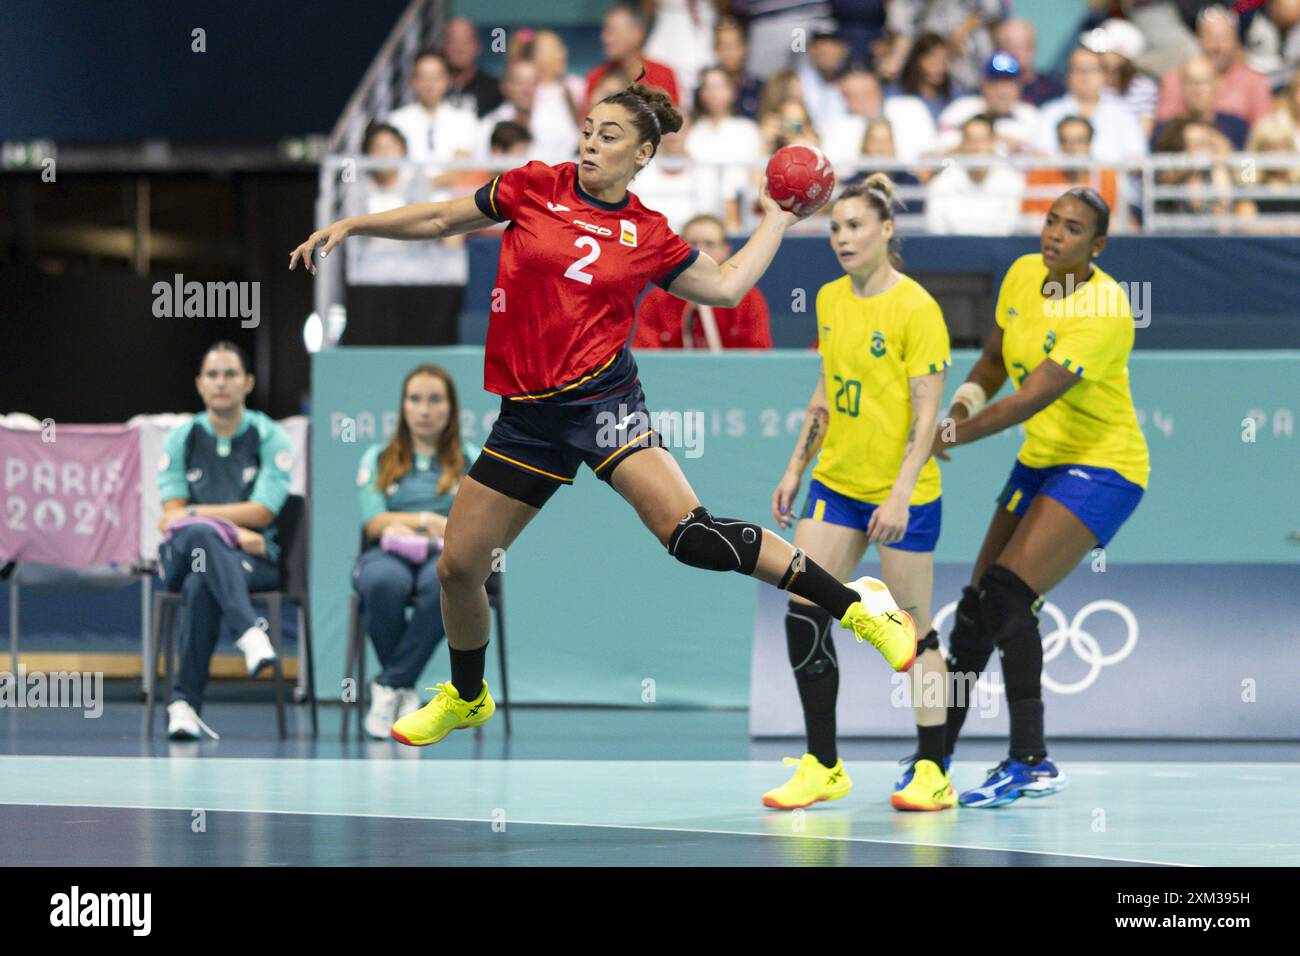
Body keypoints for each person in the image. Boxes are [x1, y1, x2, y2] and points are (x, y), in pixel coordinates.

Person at [291, 81, 920, 749]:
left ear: (644, 153)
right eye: (588, 129)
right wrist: (355, 224)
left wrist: (778, 216)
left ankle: (858, 605)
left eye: (610, 135)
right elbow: (444, 219)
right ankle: (468, 695)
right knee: (458, 567)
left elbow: (728, 286)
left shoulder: (647, 234)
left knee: (692, 538)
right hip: (527, 415)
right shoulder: (534, 185)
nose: (592, 141)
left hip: (603, 404)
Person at [932, 188, 1149, 807]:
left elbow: (1030, 399)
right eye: (1052, 220)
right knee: (975, 608)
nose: (1055, 233)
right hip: (1041, 462)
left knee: (1007, 592)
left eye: (1073, 228)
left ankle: (1031, 761)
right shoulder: (1025, 274)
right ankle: (934, 757)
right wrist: (957, 409)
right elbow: (995, 363)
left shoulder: (1105, 308)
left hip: (1104, 467)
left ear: (1097, 246)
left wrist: (946, 438)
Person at [764, 174, 955, 812]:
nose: (842, 238)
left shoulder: (917, 308)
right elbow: (826, 387)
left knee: (918, 633)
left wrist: (899, 494)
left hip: (903, 493)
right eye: (835, 227)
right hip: (837, 485)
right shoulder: (829, 298)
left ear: (886, 230)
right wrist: (797, 465)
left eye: (855, 226)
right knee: (802, 607)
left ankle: (933, 768)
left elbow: (928, 416)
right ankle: (823, 764)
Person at [157, 342, 293, 740]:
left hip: (253, 560)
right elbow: (172, 515)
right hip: (188, 554)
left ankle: (183, 705)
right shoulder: (181, 438)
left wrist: (199, 515)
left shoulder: (270, 436)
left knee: (204, 579)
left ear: (248, 382)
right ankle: (250, 633)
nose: (221, 383)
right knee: (198, 538)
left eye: (230, 374)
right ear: (200, 385)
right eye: (213, 375)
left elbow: (263, 512)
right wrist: (231, 530)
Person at [352, 365, 480, 738]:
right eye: (415, 399)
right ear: (403, 407)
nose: (424, 410)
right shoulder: (378, 458)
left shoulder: (472, 459)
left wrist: (404, 520)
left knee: (445, 586)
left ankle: (389, 686)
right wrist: (428, 518)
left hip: (447, 557)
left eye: (435, 400)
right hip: (389, 554)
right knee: (381, 582)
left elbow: (470, 525)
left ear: (451, 408)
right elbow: (375, 523)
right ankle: (403, 688)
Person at [342, 121, 465, 345]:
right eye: (377, 148)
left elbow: (421, 227)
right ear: (368, 154)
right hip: (371, 271)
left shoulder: (418, 182)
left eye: (390, 147)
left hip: (414, 268)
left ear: (402, 151)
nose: (384, 154)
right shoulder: (358, 188)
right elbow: (355, 232)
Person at [633, 214, 772, 349]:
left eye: (709, 244)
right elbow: (647, 359)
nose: (700, 252)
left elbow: (758, 358)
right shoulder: (656, 300)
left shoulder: (747, 297)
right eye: (692, 243)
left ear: (725, 250)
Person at [1156, 6, 1274, 127]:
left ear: (1236, 42)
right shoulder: (1174, 79)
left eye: (1224, 38)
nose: (1218, 46)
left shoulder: (1254, 82)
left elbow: (1264, 134)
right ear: (1198, 39)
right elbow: (1164, 132)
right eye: (1210, 37)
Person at [1036, 47, 1148, 164]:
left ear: (1104, 75)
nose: (1085, 77)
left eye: (1091, 70)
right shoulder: (1049, 113)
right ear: (1067, 76)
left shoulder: (1123, 114)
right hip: (1064, 181)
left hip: (1113, 180)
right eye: (1078, 70)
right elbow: (1042, 157)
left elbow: (1137, 159)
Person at [926, 114, 1025, 234]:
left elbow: (1010, 227)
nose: (976, 147)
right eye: (970, 140)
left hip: (999, 250)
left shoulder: (1011, 181)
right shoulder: (941, 182)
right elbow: (936, 228)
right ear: (961, 144)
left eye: (982, 140)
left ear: (992, 143)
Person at [386, 49, 480, 169]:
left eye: (436, 77)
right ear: (412, 81)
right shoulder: (395, 122)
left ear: (448, 80)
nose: (429, 85)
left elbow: (462, 167)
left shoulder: (465, 120)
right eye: (423, 77)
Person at [937, 51, 1041, 155]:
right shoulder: (961, 110)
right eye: (996, 83)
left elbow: (1045, 155)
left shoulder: (1031, 115)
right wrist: (992, 139)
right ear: (984, 85)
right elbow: (941, 151)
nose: (1003, 91)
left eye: (1009, 82)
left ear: (1019, 86)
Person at [1023, 116, 1119, 223]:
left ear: (1089, 144)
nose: (1072, 148)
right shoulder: (1039, 173)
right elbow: (1030, 220)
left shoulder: (1105, 175)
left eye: (1080, 141)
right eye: (1065, 141)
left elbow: (1111, 220)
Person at [585, 4, 680, 109]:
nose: (604, 38)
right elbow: (585, 123)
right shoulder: (596, 76)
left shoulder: (663, 75)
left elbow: (674, 120)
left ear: (637, 34)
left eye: (612, 32)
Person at [1150, 56, 1250, 150]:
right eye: (1191, 82)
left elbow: (1250, 165)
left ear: (1216, 85)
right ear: (1182, 87)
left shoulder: (1238, 127)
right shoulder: (1165, 133)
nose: (1198, 90)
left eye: (1204, 82)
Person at [888, 32, 965, 125]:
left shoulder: (954, 92)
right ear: (918, 61)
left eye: (943, 61)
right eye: (933, 62)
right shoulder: (898, 92)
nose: (939, 68)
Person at [440, 17, 505, 118]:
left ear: (478, 47)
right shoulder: (433, 88)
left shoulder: (496, 90)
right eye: (454, 41)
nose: (459, 48)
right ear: (443, 46)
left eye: (466, 41)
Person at [993, 17, 1064, 106]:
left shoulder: (1054, 88)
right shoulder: (990, 89)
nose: (1015, 53)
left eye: (1021, 46)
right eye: (1009, 47)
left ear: (1033, 48)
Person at [714, 17, 763, 118]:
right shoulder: (706, 92)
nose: (730, 52)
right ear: (716, 50)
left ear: (744, 48)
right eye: (724, 46)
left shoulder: (760, 89)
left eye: (734, 45)